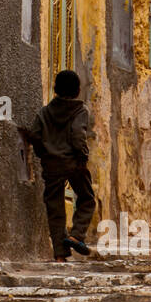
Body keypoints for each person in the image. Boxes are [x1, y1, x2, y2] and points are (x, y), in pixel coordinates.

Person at [21, 70, 96, 262]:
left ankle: (60, 254)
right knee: (86, 198)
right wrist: (82, 157)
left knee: (55, 208)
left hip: (51, 166)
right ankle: (76, 235)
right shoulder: (80, 111)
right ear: (78, 90)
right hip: (73, 163)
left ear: (55, 89)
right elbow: (78, 134)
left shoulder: (44, 112)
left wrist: (44, 154)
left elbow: (35, 136)